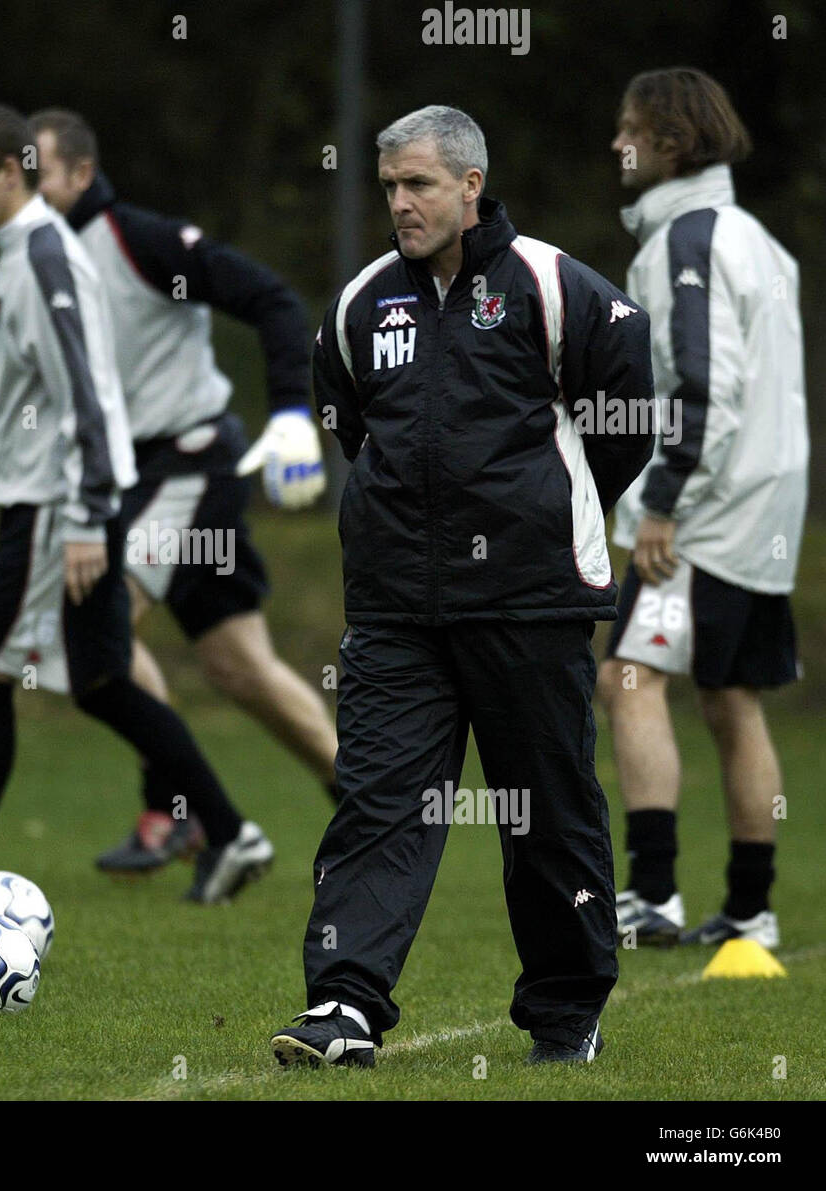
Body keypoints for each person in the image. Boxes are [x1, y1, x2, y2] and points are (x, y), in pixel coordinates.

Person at [269, 105, 654, 1069]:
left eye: (419, 185)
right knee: (378, 803)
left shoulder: (554, 286)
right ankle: (344, 1006)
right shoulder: (361, 304)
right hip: (397, 610)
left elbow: (624, 415)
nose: (400, 202)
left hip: (534, 603)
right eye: (390, 186)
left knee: (549, 812)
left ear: (471, 184)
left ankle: (566, 1015)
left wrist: (547, 513)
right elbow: (351, 423)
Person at [0, 103, 272, 906]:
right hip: (51, 499)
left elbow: (89, 390)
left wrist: (89, 516)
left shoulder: (46, 254)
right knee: (103, 683)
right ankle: (230, 832)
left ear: (8, 173)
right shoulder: (25, 254)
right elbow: (18, 343)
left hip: (56, 504)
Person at [599, 68, 808, 948]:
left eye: (630, 130)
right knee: (730, 699)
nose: (618, 145)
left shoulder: (688, 237)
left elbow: (704, 387)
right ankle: (751, 910)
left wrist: (662, 502)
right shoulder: (759, 239)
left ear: (672, 143)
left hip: (705, 510)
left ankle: (651, 895)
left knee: (628, 677)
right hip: (763, 507)